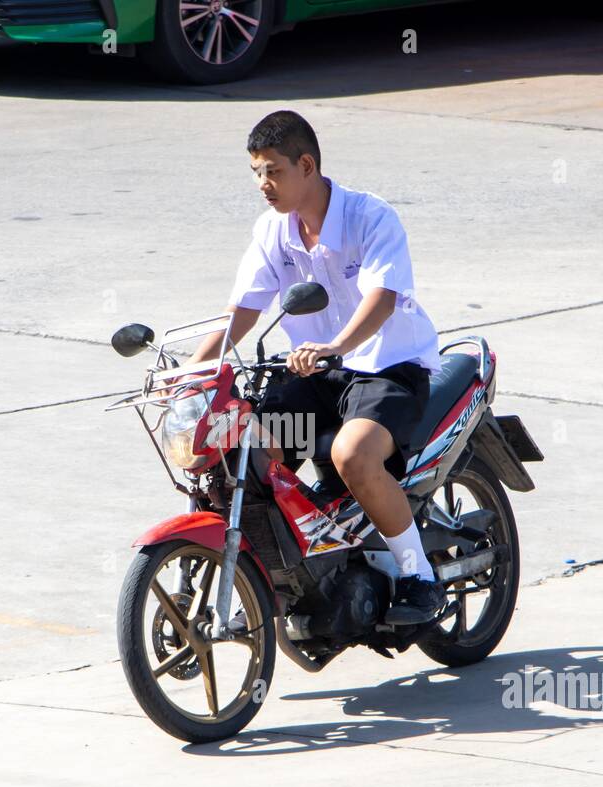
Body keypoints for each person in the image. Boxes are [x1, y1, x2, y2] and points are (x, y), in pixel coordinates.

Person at [190, 109, 445, 625]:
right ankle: (293, 563)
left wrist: (336, 345)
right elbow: (242, 311)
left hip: (386, 369)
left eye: (274, 171)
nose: (263, 184)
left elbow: (382, 299)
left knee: (353, 456)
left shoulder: (370, 216)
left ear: (306, 165)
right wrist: (191, 374)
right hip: (315, 375)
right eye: (256, 172)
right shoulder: (272, 230)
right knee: (247, 448)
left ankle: (418, 575)